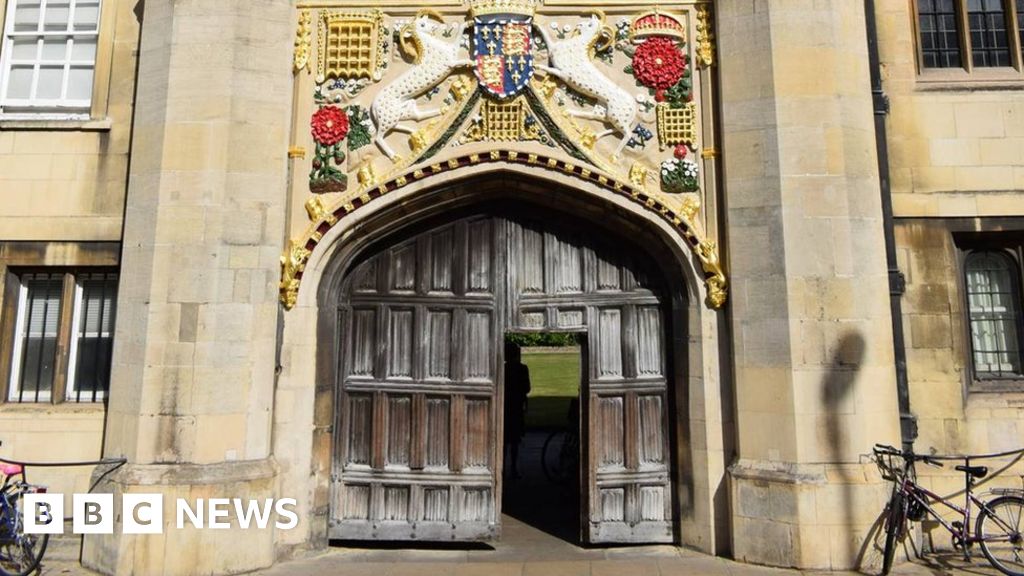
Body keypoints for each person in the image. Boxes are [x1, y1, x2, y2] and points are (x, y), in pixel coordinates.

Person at [503, 341, 531, 480]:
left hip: (505, 406)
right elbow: (527, 388)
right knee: (514, 441)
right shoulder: (522, 369)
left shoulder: (503, 369)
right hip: (516, 407)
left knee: (504, 441)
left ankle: (501, 468)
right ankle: (513, 468)